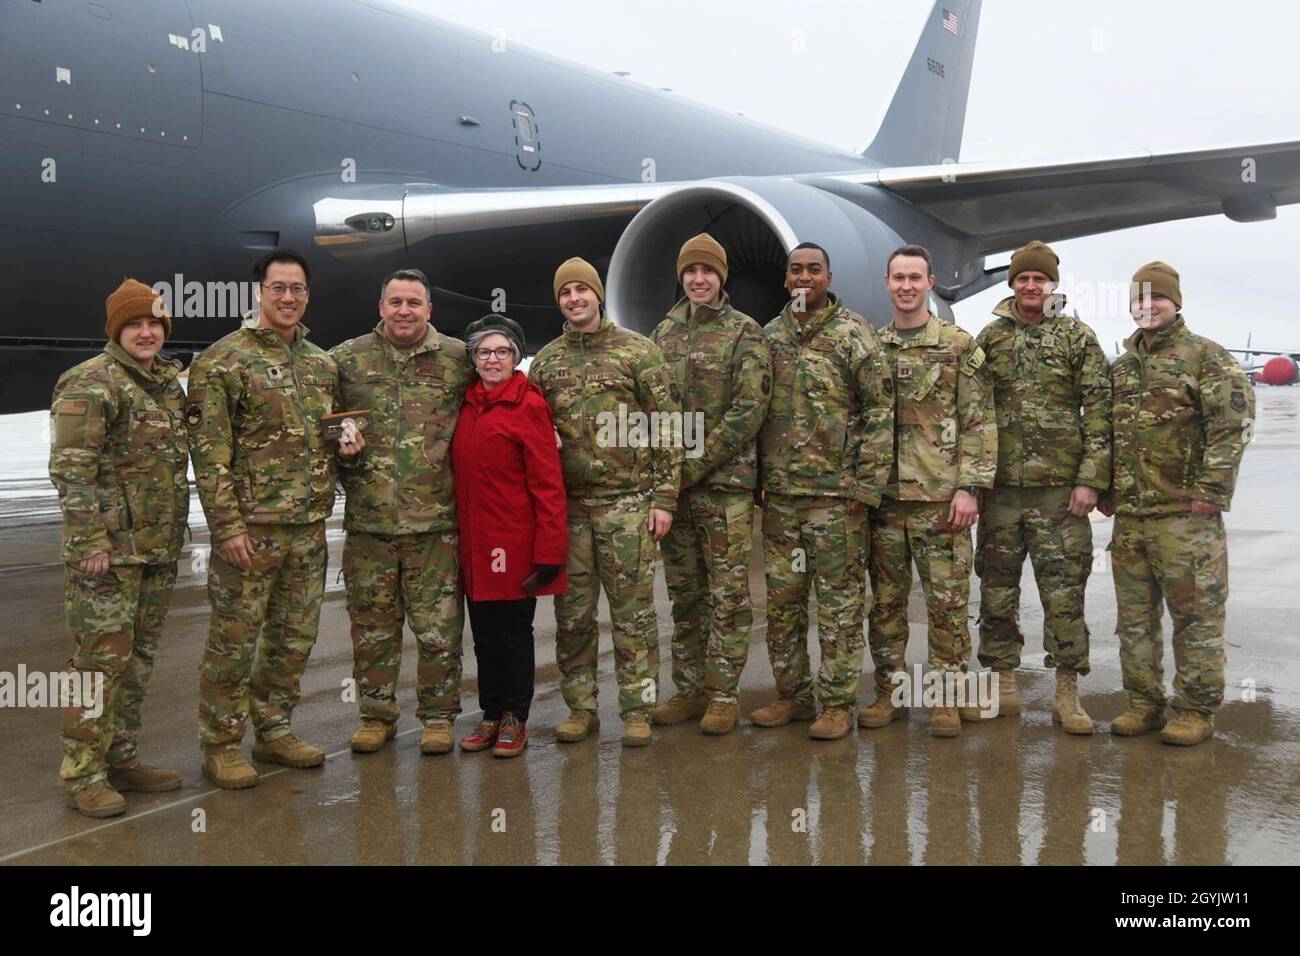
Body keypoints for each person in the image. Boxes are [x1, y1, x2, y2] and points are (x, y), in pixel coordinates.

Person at [188, 249, 363, 789]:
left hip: (309, 527)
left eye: (298, 288)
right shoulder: (222, 362)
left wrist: (350, 446)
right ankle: (220, 744)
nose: (288, 298)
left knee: (293, 639)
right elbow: (209, 453)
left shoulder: (319, 363)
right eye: (278, 288)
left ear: (308, 293)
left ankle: (273, 729)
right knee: (233, 641)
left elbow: (332, 436)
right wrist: (227, 528)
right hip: (252, 531)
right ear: (259, 292)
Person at [49, 279, 190, 817]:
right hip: (107, 554)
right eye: (136, 324)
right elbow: (70, 468)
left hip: (155, 549)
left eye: (155, 323)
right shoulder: (91, 382)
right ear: (117, 330)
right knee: (96, 666)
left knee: (139, 661)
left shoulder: (164, 385)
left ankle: (121, 757)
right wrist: (87, 542)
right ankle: (82, 773)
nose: (148, 332)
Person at [529, 258, 681, 747]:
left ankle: (637, 709)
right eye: (566, 293)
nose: (575, 299)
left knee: (633, 615)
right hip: (570, 511)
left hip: (628, 505)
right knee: (572, 617)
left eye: (582, 290)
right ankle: (582, 707)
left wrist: (664, 499)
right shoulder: (546, 362)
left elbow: (669, 427)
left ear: (597, 295)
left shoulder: (639, 352)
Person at [1100, 261, 1253, 746]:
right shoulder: (1122, 368)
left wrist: (1211, 492)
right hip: (1131, 518)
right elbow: (1107, 433)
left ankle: (1195, 709)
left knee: (1196, 619)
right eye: (1139, 299)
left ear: (1175, 302)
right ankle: (1144, 702)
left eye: (1156, 298)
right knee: (1135, 620)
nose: (1148, 306)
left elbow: (1232, 426)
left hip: (1186, 517)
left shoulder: (1205, 357)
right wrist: (1105, 490)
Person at [751, 243, 894, 740]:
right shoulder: (769, 336)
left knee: (839, 605)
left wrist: (866, 484)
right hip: (783, 500)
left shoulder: (855, 334)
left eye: (814, 269)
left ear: (829, 276)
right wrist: (758, 483)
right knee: (784, 604)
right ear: (786, 279)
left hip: (836, 502)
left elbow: (880, 412)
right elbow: (755, 412)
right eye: (796, 270)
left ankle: (836, 704)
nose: (804, 277)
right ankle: (792, 694)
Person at [974, 241, 1112, 734]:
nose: (1031, 286)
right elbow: (971, 411)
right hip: (1001, 493)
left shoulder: (1077, 337)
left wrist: (1090, 480)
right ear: (1011, 284)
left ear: (1052, 284)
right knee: (995, 593)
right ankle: (1004, 684)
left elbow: (1099, 412)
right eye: (1022, 278)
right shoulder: (989, 339)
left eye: (1040, 278)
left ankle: (1067, 693)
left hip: (1060, 495)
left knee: (1063, 595)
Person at [331, 269, 469, 756]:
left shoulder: (458, 359)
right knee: (372, 629)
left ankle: (437, 716)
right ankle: (375, 715)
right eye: (396, 302)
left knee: (438, 629)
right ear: (381, 307)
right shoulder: (346, 361)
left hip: (435, 525)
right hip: (369, 524)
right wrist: (340, 445)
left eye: (414, 302)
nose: (404, 311)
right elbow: (321, 426)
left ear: (429, 309)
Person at [861, 244, 996, 738]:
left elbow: (981, 420)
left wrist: (970, 489)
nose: (906, 286)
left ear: (930, 282)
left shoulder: (958, 345)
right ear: (887, 282)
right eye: (898, 277)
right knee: (887, 605)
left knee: (946, 605)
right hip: (886, 502)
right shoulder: (872, 348)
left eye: (915, 277)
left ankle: (946, 697)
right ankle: (889, 694)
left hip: (941, 501)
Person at [650, 233, 772, 735]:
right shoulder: (664, 333)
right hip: (677, 491)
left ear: (721, 277)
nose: (698, 280)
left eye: (708, 272)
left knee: (728, 595)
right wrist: (665, 471)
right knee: (685, 595)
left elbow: (749, 410)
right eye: (690, 272)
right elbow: (653, 408)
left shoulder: (745, 333)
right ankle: (690, 688)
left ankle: (723, 694)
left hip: (724, 487)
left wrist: (690, 464)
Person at [451, 315, 568, 758]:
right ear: (473, 360)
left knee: (513, 633)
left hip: (513, 545)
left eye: (502, 351)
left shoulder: (529, 405)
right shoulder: (465, 404)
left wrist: (550, 549)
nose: (493, 359)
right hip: (475, 544)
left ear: (516, 357)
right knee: (482, 634)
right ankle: (490, 712)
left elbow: (548, 482)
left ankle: (515, 716)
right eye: (484, 352)